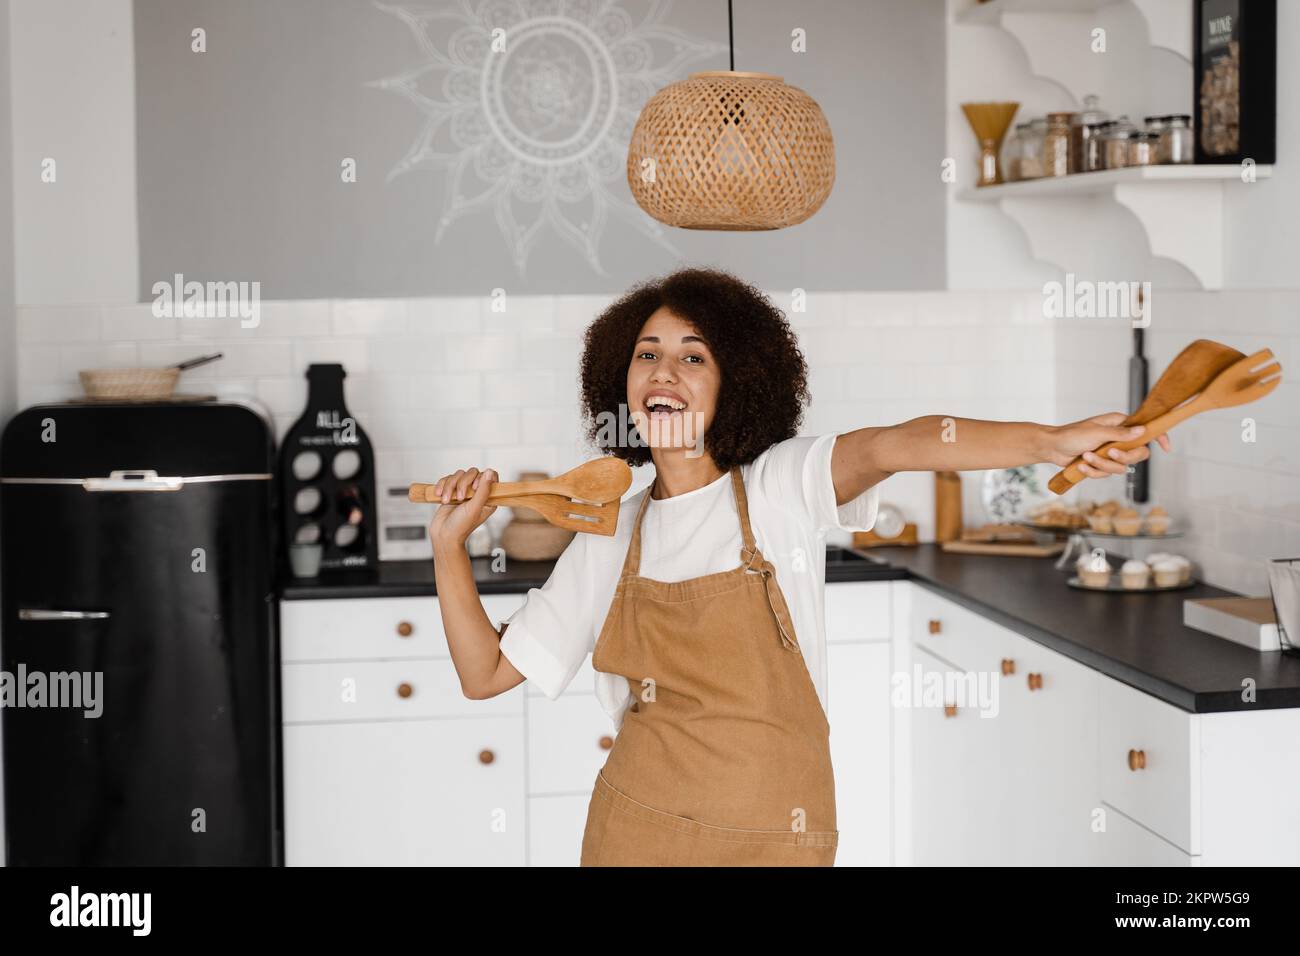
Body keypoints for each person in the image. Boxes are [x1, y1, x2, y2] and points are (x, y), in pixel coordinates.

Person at [427, 267, 1170, 867]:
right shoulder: (611, 528)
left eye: (694, 356)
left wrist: (1049, 442)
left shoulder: (780, 485)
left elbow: (898, 444)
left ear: (735, 384)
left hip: (781, 835)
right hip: (638, 832)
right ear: (620, 377)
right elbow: (485, 674)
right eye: (647, 352)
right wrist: (448, 547)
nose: (665, 370)